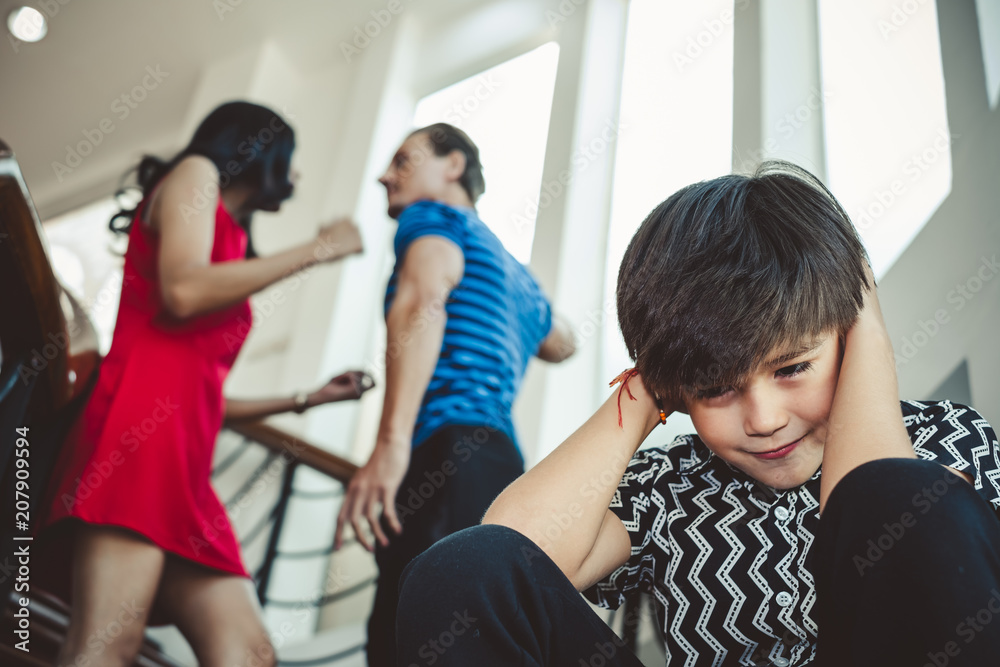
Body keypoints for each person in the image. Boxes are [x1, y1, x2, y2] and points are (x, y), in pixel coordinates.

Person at [395, 161, 1000, 666]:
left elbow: (893, 520)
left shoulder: (946, 438)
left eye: (792, 369)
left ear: (848, 337)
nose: (762, 418)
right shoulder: (667, 489)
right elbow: (505, 560)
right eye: (716, 389)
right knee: (456, 571)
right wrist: (654, 377)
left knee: (900, 495)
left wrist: (866, 321)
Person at [36, 101, 372, 667]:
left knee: (249, 654)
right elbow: (184, 291)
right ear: (260, 148)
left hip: (184, 468)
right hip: (136, 445)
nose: (298, 175)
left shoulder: (235, 240)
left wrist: (306, 399)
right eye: (292, 157)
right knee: (106, 647)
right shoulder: (195, 175)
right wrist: (318, 251)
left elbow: (200, 396)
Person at [332, 123, 576, 666]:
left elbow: (422, 302)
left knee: (409, 635)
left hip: (442, 450)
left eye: (402, 160)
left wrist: (391, 443)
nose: (383, 175)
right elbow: (562, 343)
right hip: (499, 464)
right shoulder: (518, 276)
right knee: (477, 632)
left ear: (454, 166)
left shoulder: (433, 218)